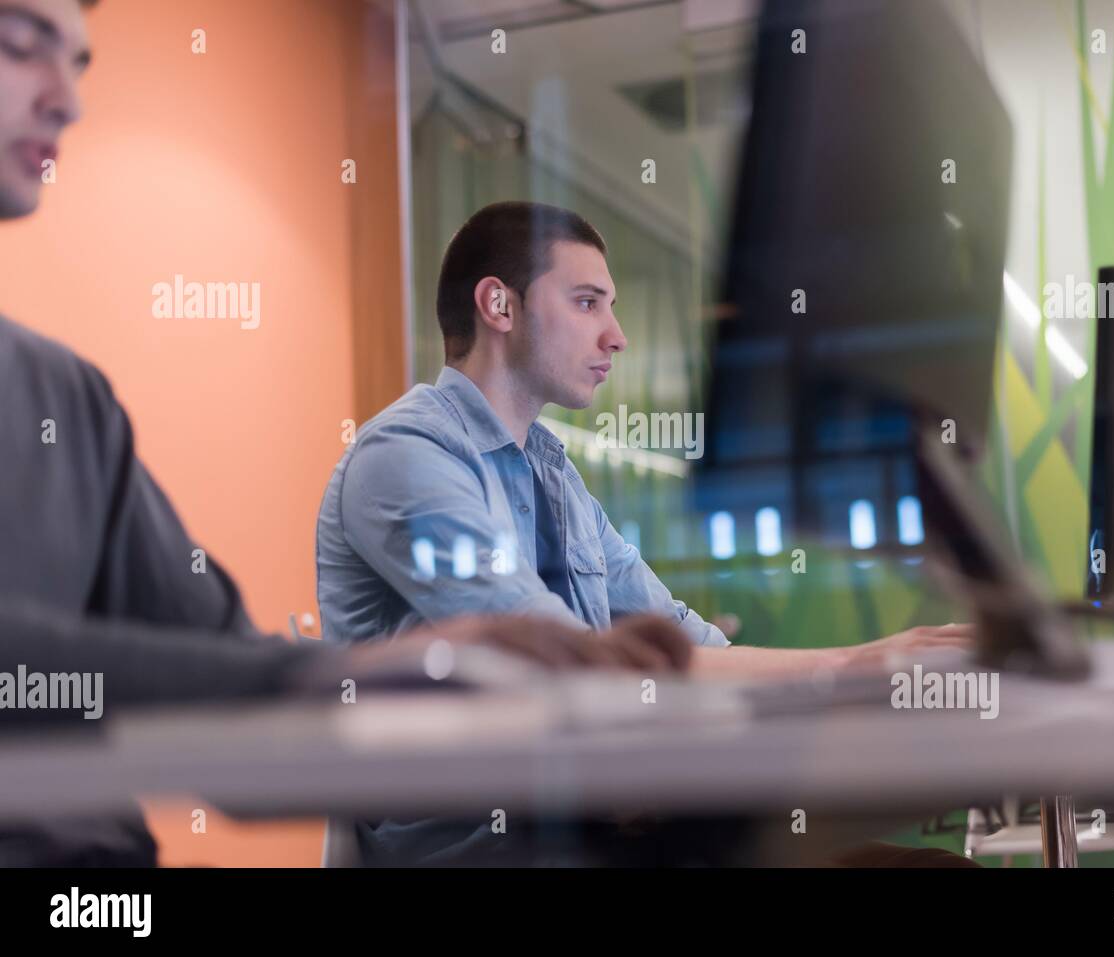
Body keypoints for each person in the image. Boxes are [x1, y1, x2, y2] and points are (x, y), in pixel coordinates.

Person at [0, 0, 691, 868]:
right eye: (20, 45)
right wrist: (331, 679)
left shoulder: (66, 398)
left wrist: (379, 681)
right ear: (498, 306)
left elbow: (233, 698)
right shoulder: (405, 453)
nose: (68, 98)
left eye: (80, 63)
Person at [314, 201, 973, 862]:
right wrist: (845, 666)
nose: (616, 335)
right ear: (499, 305)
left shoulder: (554, 477)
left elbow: (679, 638)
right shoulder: (402, 456)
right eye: (587, 302)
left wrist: (870, 667)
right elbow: (552, 656)